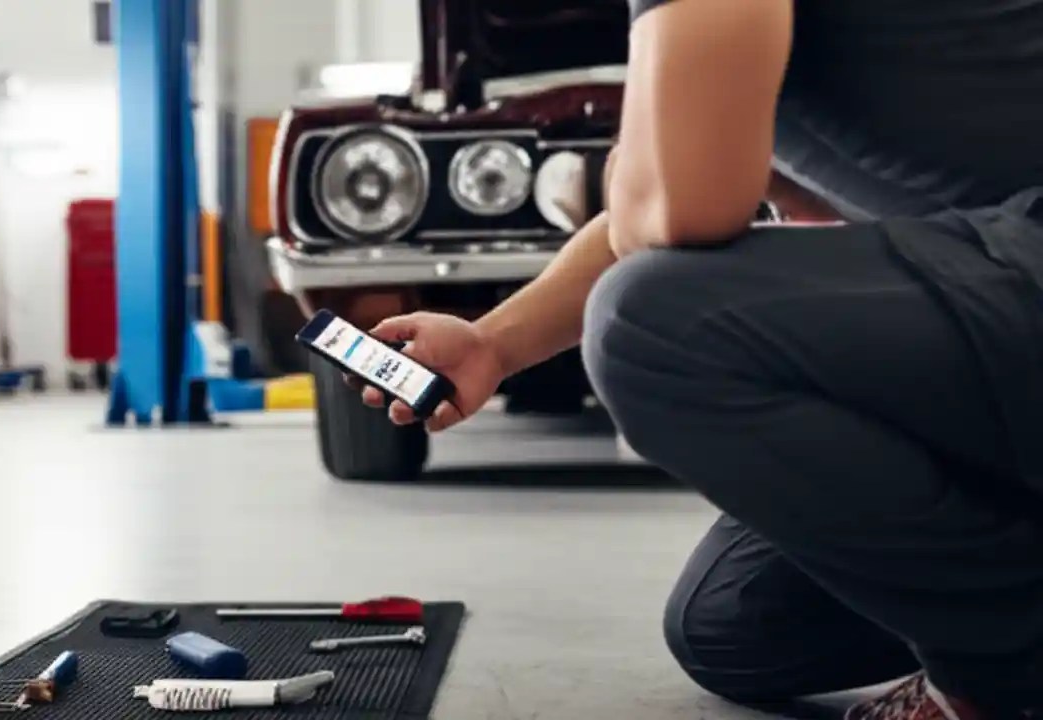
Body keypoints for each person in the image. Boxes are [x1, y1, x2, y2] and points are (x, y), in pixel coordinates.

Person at [354, 0, 1043, 718]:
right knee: (734, 623)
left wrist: (618, 171)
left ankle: (1001, 676)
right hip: (1004, 301)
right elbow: (705, 199)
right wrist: (493, 344)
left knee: (647, 322)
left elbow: (681, 210)